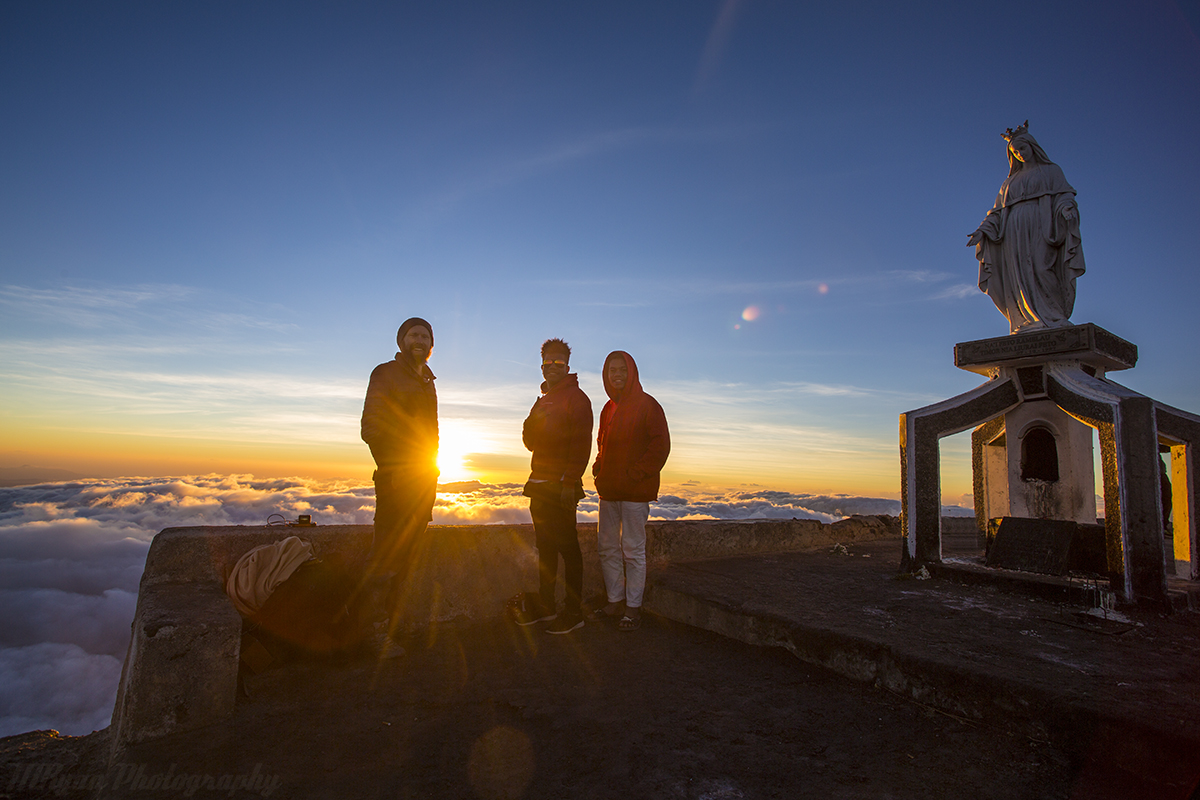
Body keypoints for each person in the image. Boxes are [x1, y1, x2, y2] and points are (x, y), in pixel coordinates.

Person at [968, 121, 1085, 334]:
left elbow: (1064, 195)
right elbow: (997, 212)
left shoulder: (1051, 171)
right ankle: (1027, 319)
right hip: (1013, 232)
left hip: (1042, 226)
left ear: (1033, 147)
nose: (1020, 154)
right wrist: (982, 230)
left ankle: (1053, 316)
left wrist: (1067, 209)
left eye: (1022, 148)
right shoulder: (1009, 182)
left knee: (1041, 267)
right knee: (1018, 276)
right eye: (1015, 151)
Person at [361, 317, 439, 623]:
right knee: (385, 556)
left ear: (431, 345)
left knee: (407, 557)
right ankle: (371, 630)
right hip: (396, 481)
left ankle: (391, 625)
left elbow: (431, 433)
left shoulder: (427, 380)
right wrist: (396, 468)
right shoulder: (385, 374)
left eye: (425, 336)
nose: (419, 340)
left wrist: (431, 469)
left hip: (423, 482)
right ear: (401, 341)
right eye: (413, 335)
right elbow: (371, 428)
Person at [513, 338, 593, 634]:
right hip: (538, 484)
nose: (552, 367)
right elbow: (530, 443)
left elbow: (581, 444)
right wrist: (529, 424)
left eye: (558, 362)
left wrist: (569, 482)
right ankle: (546, 607)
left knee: (568, 549)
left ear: (567, 366)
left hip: (561, 485)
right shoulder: (543, 399)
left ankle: (574, 612)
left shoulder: (577, 398)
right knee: (545, 548)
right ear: (542, 365)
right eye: (547, 362)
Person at [589, 351, 670, 632]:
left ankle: (632, 608)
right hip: (609, 492)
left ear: (632, 372)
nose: (617, 374)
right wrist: (599, 466)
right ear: (606, 374)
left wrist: (636, 474)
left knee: (633, 551)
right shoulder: (608, 409)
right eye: (612, 370)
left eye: (622, 369)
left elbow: (660, 446)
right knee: (607, 549)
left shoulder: (648, 405)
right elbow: (602, 443)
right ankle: (615, 601)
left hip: (635, 493)